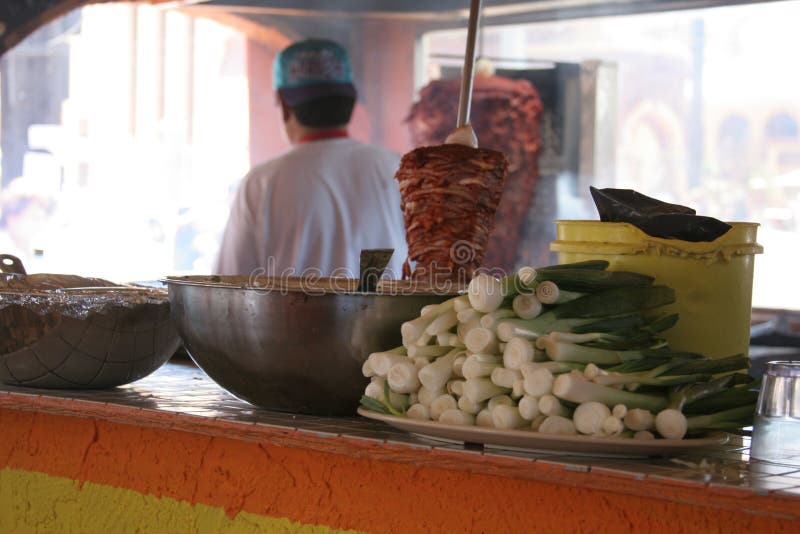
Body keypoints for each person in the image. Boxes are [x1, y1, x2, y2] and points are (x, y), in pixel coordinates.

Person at [215, 39, 407, 278]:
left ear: (284, 104)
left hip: (288, 316)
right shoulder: (400, 169)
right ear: (352, 99)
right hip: (397, 317)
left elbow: (230, 282)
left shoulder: (262, 183)